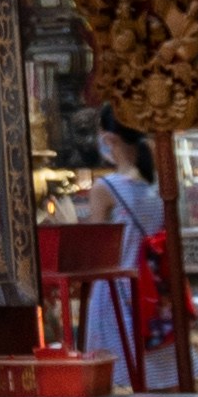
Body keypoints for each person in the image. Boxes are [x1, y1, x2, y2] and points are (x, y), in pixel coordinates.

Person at [76, 124, 171, 378]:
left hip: (116, 291)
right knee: (162, 377)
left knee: (120, 376)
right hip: (155, 288)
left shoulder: (106, 187)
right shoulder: (158, 184)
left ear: (109, 138)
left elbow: (95, 244)